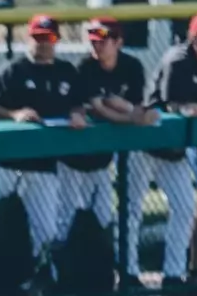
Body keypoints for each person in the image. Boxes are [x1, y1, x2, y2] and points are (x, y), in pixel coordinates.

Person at [130, 12, 197, 293]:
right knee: (132, 210)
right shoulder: (178, 60)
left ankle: (173, 275)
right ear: (195, 38)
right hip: (146, 143)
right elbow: (175, 107)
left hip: (175, 151)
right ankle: (128, 274)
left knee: (185, 206)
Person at [0, 15, 88, 266]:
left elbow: (79, 104)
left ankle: (40, 281)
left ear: (57, 40)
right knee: (0, 221)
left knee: (46, 229)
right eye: (38, 38)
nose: (43, 43)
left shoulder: (66, 71)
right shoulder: (14, 69)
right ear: (29, 39)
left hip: (44, 162)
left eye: (48, 38)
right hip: (6, 161)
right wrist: (13, 114)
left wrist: (77, 113)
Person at [64, 19, 153, 245]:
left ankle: (124, 269)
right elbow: (99, 110)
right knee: (71, 216)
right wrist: (131, 116)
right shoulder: (84, 67)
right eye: (94, 41)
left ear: (118, 42)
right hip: (82, 155)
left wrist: (131, 113)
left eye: (103, 41)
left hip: (116, 151)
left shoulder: (131, 66)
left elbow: (137, 109)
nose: (97, 46)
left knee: (117, 212)